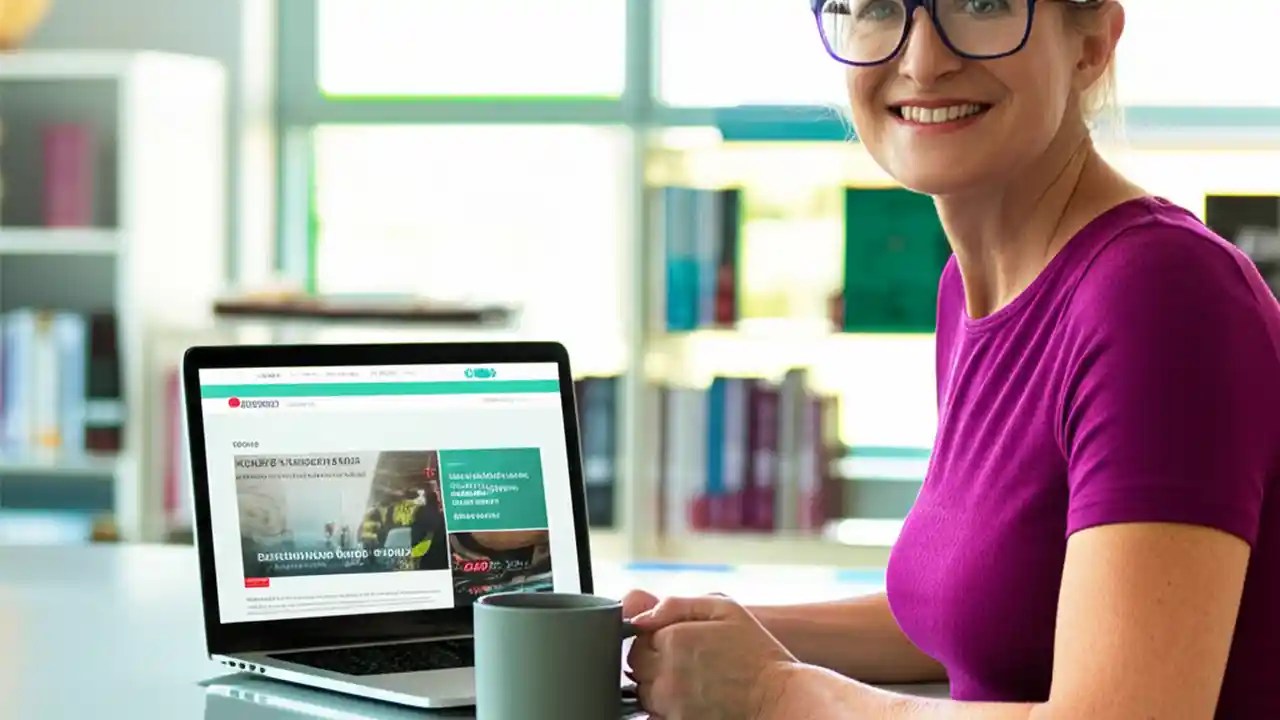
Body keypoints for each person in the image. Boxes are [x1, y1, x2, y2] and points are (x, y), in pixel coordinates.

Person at [623, 1, 1280, 718]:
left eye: (983, 3)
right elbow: (989, 615)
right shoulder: (971, 290)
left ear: (1091, 44)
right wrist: (708, 628)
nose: (923, 60)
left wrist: (773, 690)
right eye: (875, 6)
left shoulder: (1160, 294)